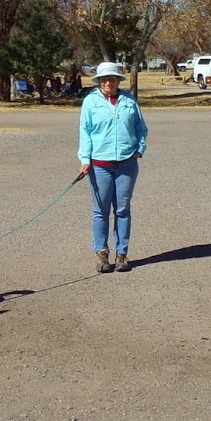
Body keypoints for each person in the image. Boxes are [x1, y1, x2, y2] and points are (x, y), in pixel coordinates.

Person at [77, 61, 148, 274]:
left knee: (123, 209)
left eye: (113, 78)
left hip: (126, 163)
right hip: (99, 165)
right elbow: (85, 132)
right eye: (105, 79)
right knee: (101, 211)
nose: (109, 82)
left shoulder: (129, 100)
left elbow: (141, 129)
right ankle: (101, 254)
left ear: (118, 80)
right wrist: (85, 159)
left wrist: (139, 150)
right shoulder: (90, 102)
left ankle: (122, 254)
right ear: (99, 81)